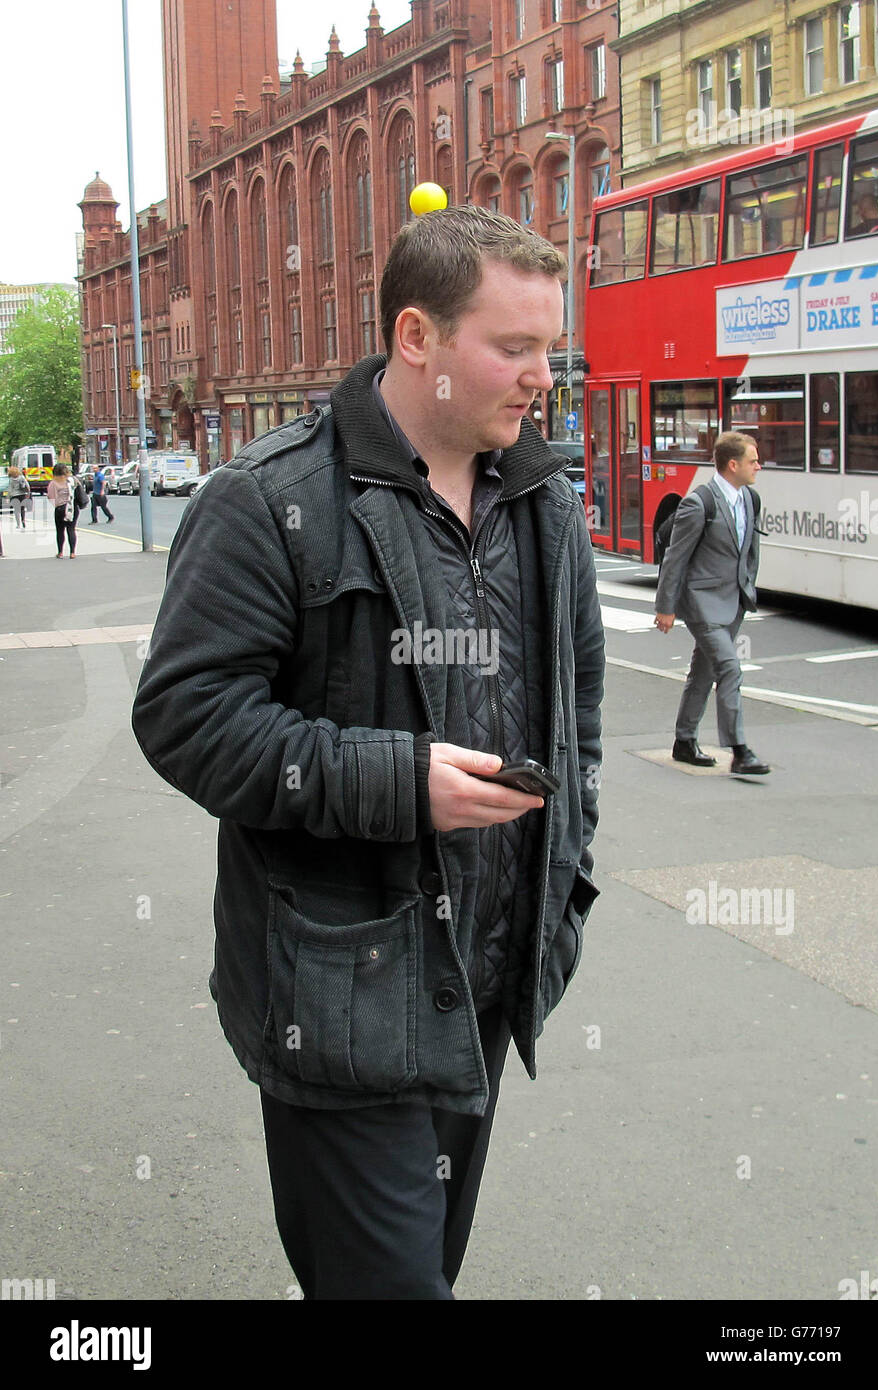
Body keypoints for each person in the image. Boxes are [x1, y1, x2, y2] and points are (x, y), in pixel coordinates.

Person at [131, 205, 605, 1300]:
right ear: (417, 337)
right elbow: (186, 716)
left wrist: (564, 895)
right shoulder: (266, 500)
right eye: (514, 345)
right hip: (342, 1005)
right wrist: (397, 782)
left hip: (486, 990)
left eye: (550, 346)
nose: (544, 374)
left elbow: (577, 719)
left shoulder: (542, 503)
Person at [654, 431, 770, 776]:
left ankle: (684, 741)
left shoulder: (750, 499)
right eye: (753, 461)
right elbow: (676, 556)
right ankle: (739, 750)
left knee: (703, 672)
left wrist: (747, 587)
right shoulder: (699, 502)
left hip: (733, 602)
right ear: (732, 464)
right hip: (702, 603)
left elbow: (750, 549)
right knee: (730, 668)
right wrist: (666, 606)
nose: (758, 466)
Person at [46, 463, 86, 558]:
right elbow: (80, 491)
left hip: (60, 508)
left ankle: (60, 552)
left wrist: (57, 504)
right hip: (72, 507)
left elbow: (51, 497)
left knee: (60, 531)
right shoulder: (73, 480)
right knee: (71, 529)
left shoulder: (53, 483)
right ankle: (72, 552)